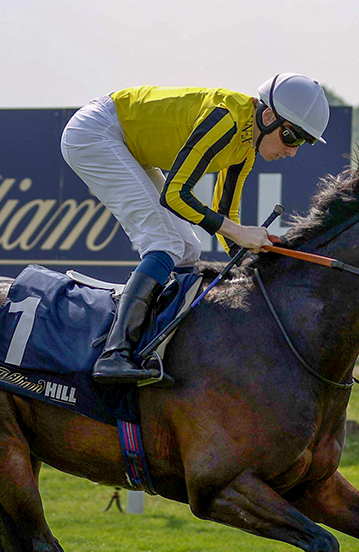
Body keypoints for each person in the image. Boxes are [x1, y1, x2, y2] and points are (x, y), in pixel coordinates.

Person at [60, 73, 331, 384]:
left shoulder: (246, 147)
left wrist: (253, 257)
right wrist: (240, 233)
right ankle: (114, 353)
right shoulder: (226, 120)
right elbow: (175, 195)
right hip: (96, 132)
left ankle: (157, 344)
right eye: (291, 137)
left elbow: (223, 214)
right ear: (268, 117)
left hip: (126, 142)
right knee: (165, 243)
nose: (292, 151)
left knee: (189, 248)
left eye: (302, 143)